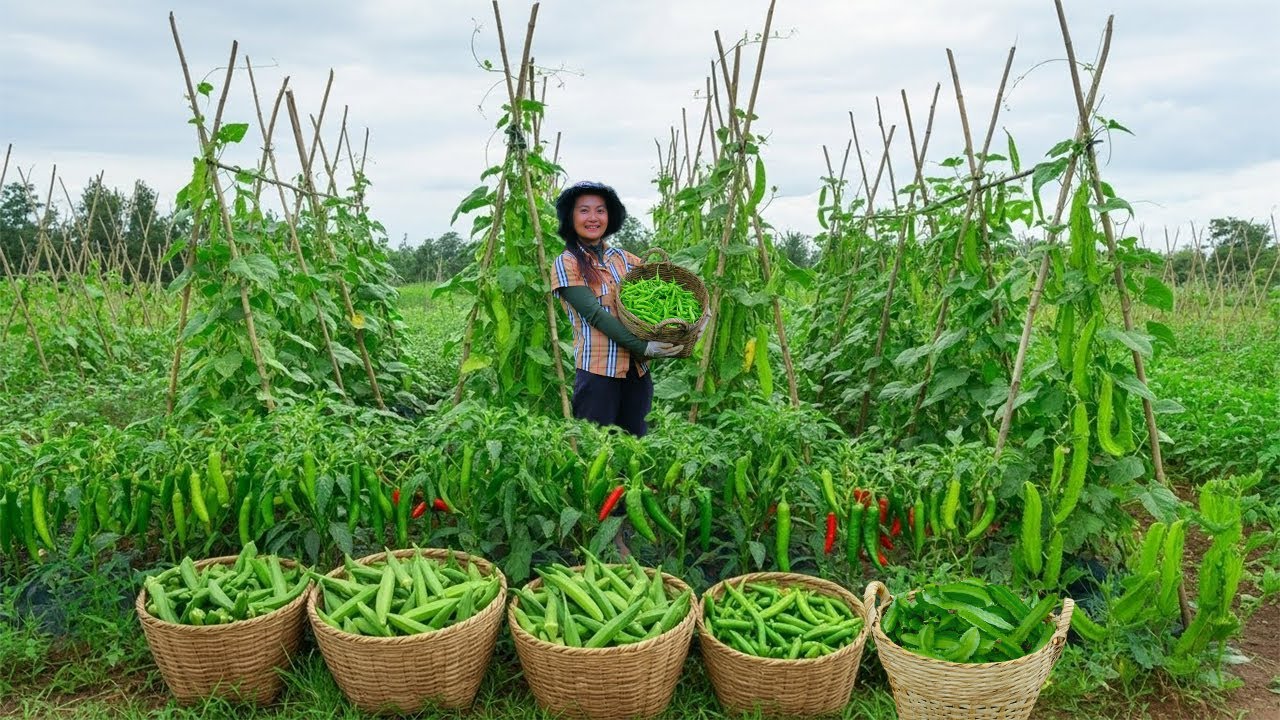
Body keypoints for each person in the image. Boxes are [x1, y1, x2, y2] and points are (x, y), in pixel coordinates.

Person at [550, 180, 699, 437]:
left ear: (610, 216)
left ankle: (629, 480)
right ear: (570, 217)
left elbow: (660, 296)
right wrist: (644, 346)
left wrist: (693, 317)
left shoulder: (625, 259)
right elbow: (595, 315)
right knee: (596, 449)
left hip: (637, 371)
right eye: (584, 210)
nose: (593, 218)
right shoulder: (567, 263)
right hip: (598, 372)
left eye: (601, 210)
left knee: (635, 446)